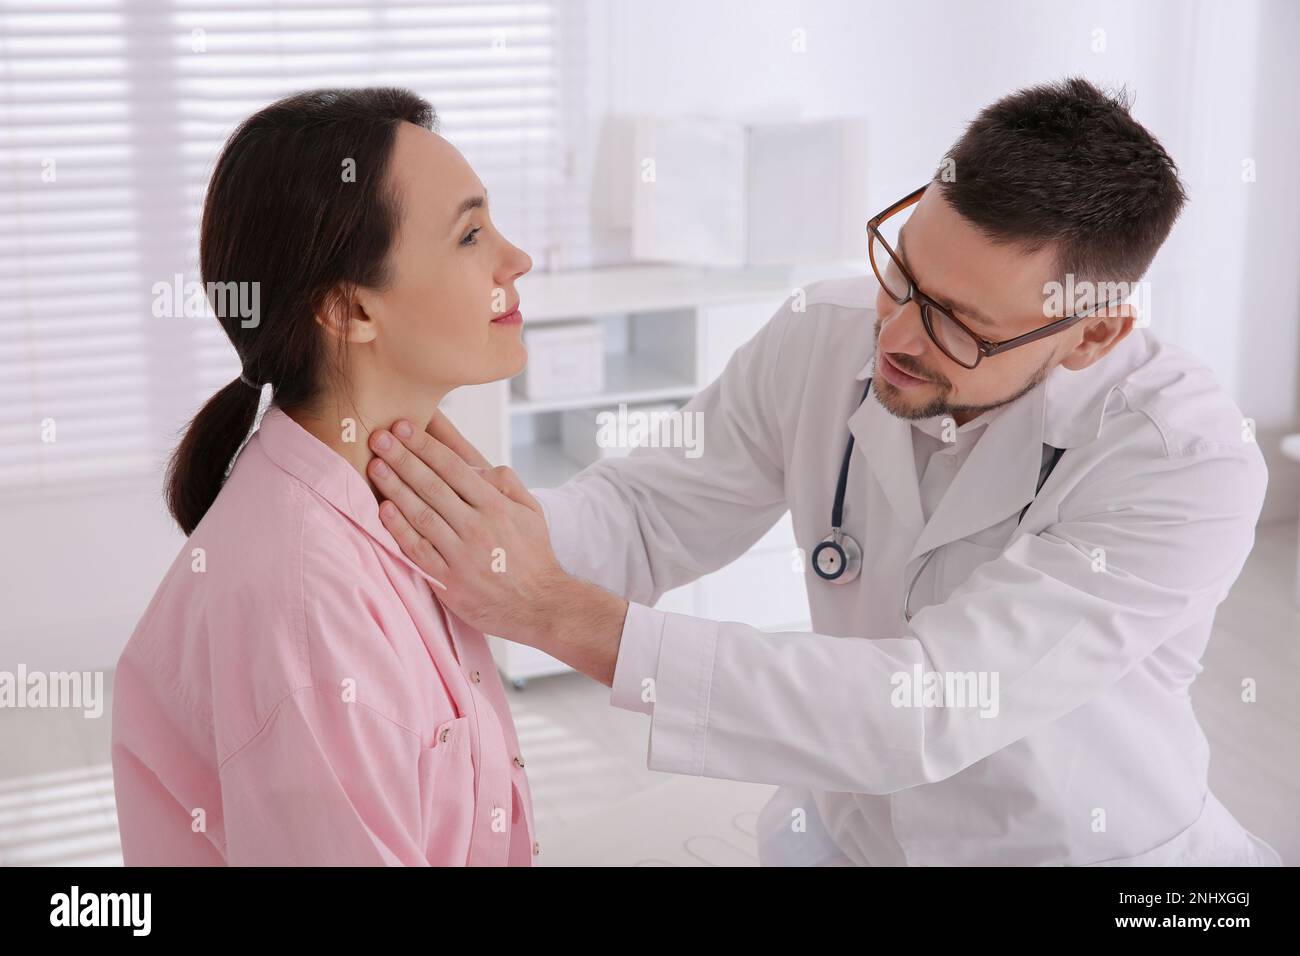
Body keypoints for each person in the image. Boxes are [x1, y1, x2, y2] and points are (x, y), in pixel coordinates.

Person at [365, 78, 1283, 866]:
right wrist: (470, 526)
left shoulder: (1182, 460)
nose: (893, 337)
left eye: (958, 323)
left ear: (1093, 332)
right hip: (848, 838)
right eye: (902, 272)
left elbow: (923, 706)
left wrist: (557, 615)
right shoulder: (821, 332)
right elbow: (649, 513)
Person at [112, 88, 538, 865]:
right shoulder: (306, 601)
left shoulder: (391, 501)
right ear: (350, 311)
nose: (518, 260)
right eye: (472, 234)